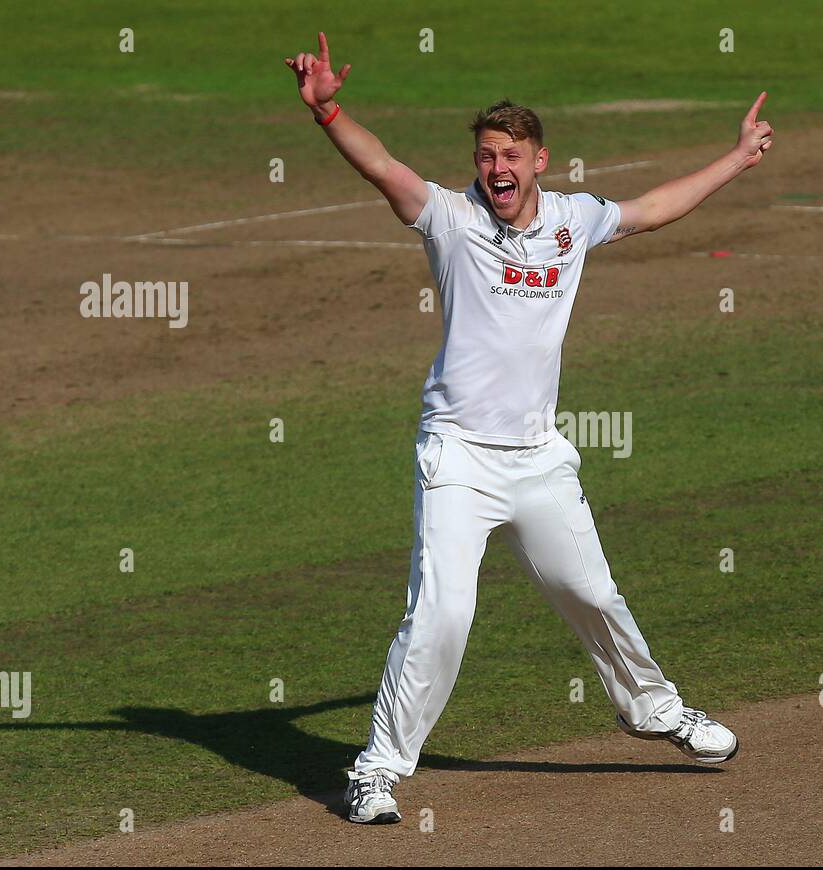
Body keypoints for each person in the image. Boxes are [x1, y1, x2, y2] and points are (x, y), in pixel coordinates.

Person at [285, 33, 773, 824]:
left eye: (510, 155)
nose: (497, 169)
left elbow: (653, 209)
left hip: (539, 457)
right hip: (459, 458)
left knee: (593, 592)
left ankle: (655, 712)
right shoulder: (448, 217)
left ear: (540, 160)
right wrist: (329, 110)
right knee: (442, 615)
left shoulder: (574, 221)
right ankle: (377, 772)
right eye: (485, 156)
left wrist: (738, 158)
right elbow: (381, 165)